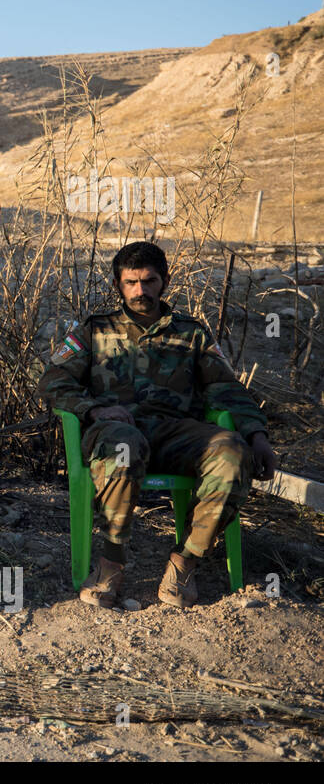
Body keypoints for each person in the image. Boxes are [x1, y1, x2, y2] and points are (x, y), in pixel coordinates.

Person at [37, 241, 278, 608]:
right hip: (116, 430)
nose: (140, 291)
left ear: (164, 281)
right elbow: (53, 381)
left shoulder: (191, 333)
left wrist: (257, 435)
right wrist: (93, 410)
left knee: (232, 453)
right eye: (131, 282)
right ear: (118, 284)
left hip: (176, 434)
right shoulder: (94, 331)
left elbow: (226, 388)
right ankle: (111, 562)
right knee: (124, 446)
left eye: (149, 281)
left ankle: (184, 562)